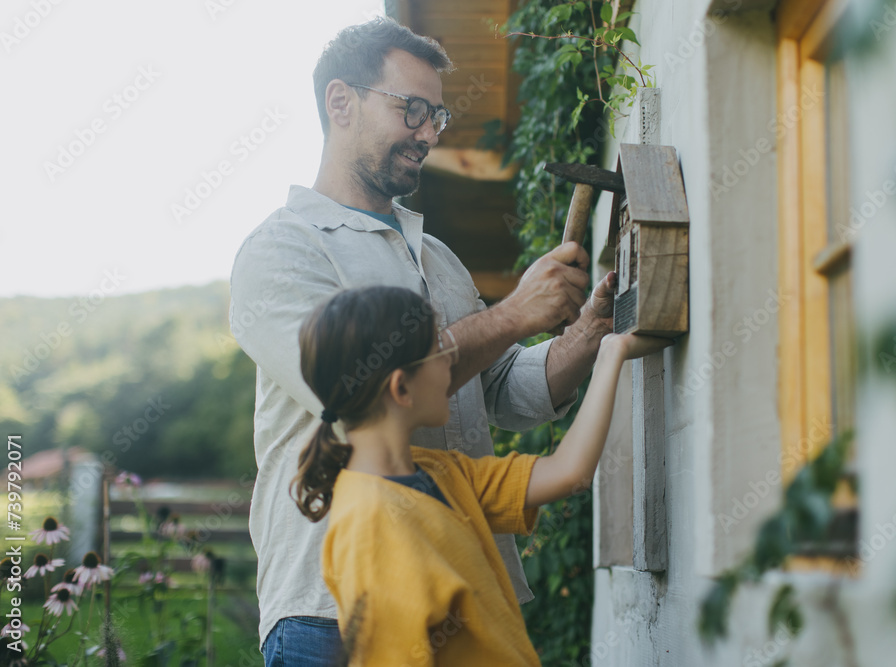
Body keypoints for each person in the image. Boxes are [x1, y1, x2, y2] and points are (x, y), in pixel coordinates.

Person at [229, 18, 622, 665]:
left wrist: (585, 335)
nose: (430, 132)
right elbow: (348, 385)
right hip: (333, 613)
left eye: (435, 114)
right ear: (340, 102)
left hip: (462, 593)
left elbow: (504, 393)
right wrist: (512, 314)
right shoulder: (283, 249)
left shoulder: (438, 258)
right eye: (412, 109)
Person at [290, 285, 670, 665]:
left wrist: (610, 352)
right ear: (401, 387)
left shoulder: (438, 473)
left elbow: (568, 473)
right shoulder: (370, 524)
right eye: (438, 352)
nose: (452, 363)